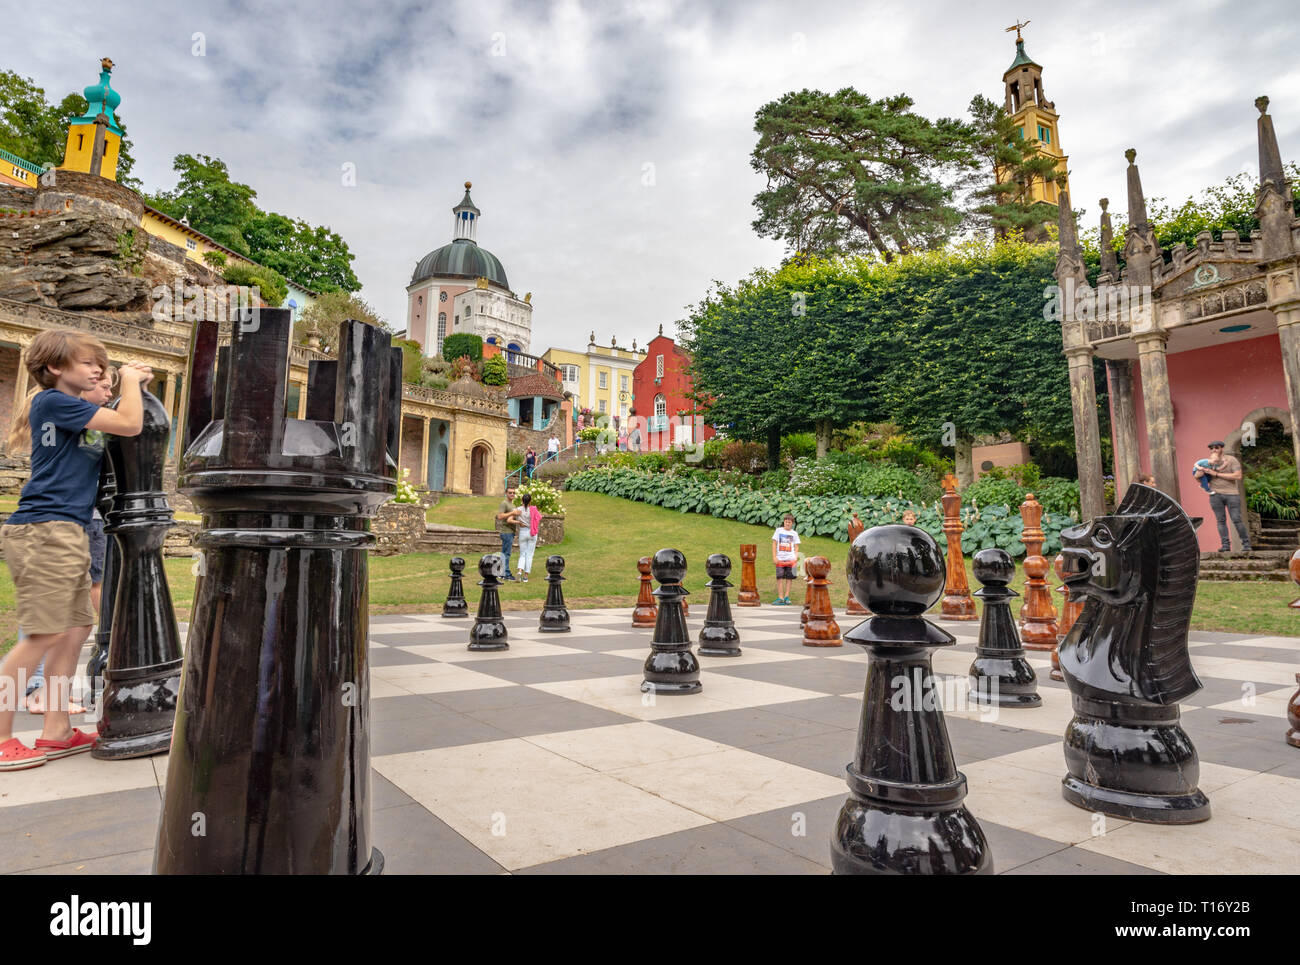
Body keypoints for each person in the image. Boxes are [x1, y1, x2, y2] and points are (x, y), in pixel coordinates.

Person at [0, 331, 152, 770]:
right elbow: (129, 424)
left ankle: (56, 730)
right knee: (43, 636)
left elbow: (114, 426)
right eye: (89, 364)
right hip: (44, 529)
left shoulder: (78, 413)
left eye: (101, 366)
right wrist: (127, 383)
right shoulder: (51, 401)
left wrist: (129, 391)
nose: (98, 371)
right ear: (54, 369)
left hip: (69, 530)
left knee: (73, 632)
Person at [20, 367, 117, 715]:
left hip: (71, 524)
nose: (107, 393)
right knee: (44, 626)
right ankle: (27, 696)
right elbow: (129, 425)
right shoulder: (58, 409)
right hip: (51, 524)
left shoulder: (75, 426)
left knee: (69, 623)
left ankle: (48, 697)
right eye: (102, 386)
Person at [1194, 440, 1252, 553]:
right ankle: (1225, 546)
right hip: (1215, 494)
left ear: (1222, 448)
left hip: (1232, 494)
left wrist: (1216, 474)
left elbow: (1238, 476)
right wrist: (1198, 474)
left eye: (1216, 447)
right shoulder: (1207, 462)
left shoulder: (1231, 460)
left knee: (1237, 519)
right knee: (1220, 520)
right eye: (1211, 448)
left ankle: (1246, 544)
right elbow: (1198, 478)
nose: (1214, 450)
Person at [771, 512, 801, 605]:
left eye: (789, 522)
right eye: (786, 521)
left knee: (789, 578)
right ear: (784, 522)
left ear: (792, 523)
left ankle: (786, 597)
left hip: (791, 559)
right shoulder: (778, 531)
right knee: (779, 577)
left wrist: (795, 557)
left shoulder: (794, 533)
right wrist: (774, 557)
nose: (787, 523)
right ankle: (780, 597)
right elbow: (774, 543)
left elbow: (796, 546)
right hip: (780, 558)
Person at [515, 492, 542, 582]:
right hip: (532, 532)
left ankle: (519, 571)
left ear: (522, 500)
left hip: (522, 532)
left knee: (522, 554)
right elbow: (539, 517)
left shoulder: (519, 509)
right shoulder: (533, 510)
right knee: (529, 554)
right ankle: (526, 576)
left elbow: (514, 517)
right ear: (530, 501)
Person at [495, 486, 520, 580]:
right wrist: (512, 513)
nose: (512, 494)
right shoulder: (504, 503)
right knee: (507, 554)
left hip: (511, 531)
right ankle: (506, 574)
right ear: (506, 493)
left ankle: (500, 572)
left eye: (514, 493)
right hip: (506, 531)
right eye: (510, 493)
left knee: (504, 553)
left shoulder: (512, 505)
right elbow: (500, 516)